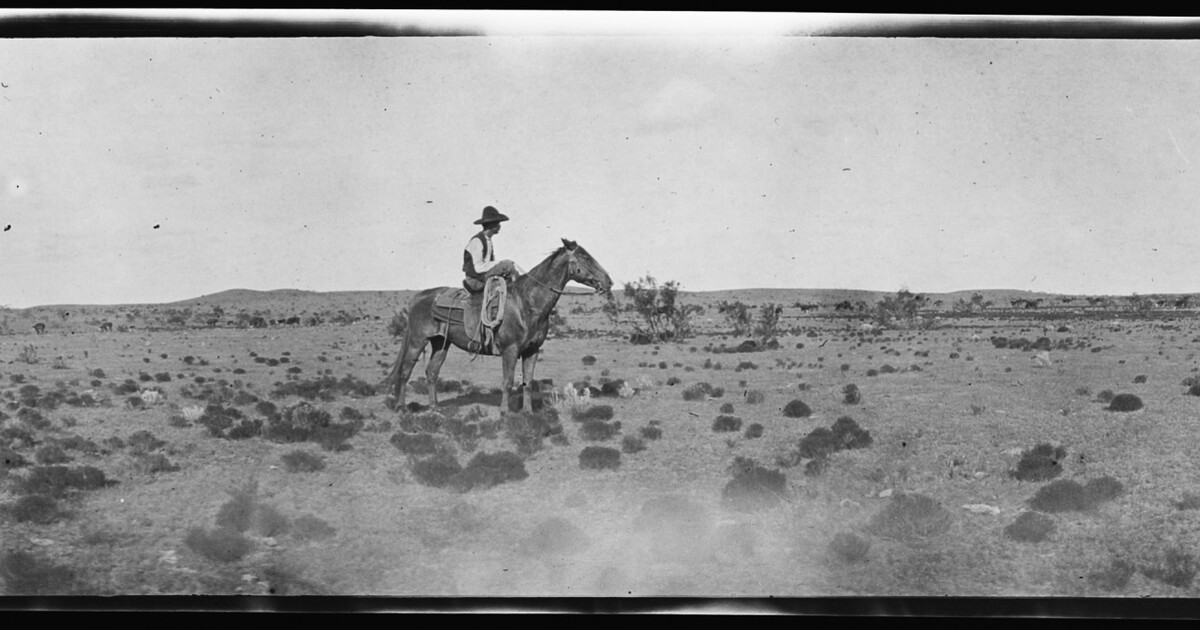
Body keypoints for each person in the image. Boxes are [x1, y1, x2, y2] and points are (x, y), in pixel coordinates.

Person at [463, 206, 525, 293]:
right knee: (507, 265)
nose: (499, 226)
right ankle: (519, 287)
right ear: (491, 225)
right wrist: (500, 264)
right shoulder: (477, 241)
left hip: (482, 276)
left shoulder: (487, 240)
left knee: (507, 269)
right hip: (475, 280)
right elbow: (478, 268)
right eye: (497, 224)